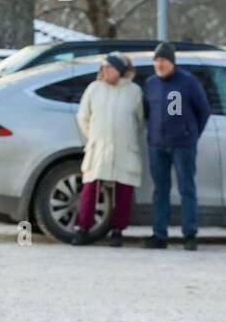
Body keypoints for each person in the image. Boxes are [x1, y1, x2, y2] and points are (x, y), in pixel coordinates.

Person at [142, 42, 211, 250]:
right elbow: (147, 112)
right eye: (156, 61)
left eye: (163, 60)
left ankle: (190, 234)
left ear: (172, 62)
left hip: (183, 145)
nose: (159, 64)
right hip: (157, 145)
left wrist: (191, 134)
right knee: (160, 190)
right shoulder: (151, 83)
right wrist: (152, 133)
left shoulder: (188, 82)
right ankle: (159, 234)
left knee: (186, 189)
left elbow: (204, 111)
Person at [72, 53, 143, 247]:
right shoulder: (94, 89)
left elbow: (140, 120)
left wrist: (128, 137)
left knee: (123, 190)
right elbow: (83, 117)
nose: (104, 71)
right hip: (99, 147)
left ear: (119, 71)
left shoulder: (133, 91)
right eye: (102, 68)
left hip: (124, 148)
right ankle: (83, 228)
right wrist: (94, 137)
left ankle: (117, 230)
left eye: (109, 68)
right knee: (90, 188)